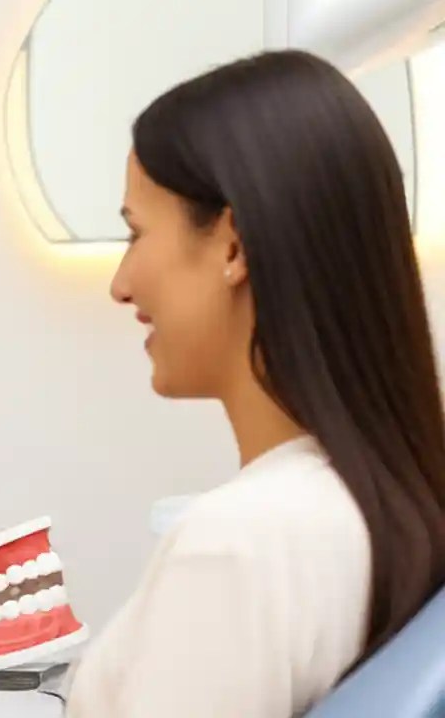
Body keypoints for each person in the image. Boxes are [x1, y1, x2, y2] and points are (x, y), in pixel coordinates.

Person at [64, 49, 445, 717]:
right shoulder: (389, 510)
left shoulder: (238, 546)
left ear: (233, 245)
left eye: (136, 233)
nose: (121, 285)